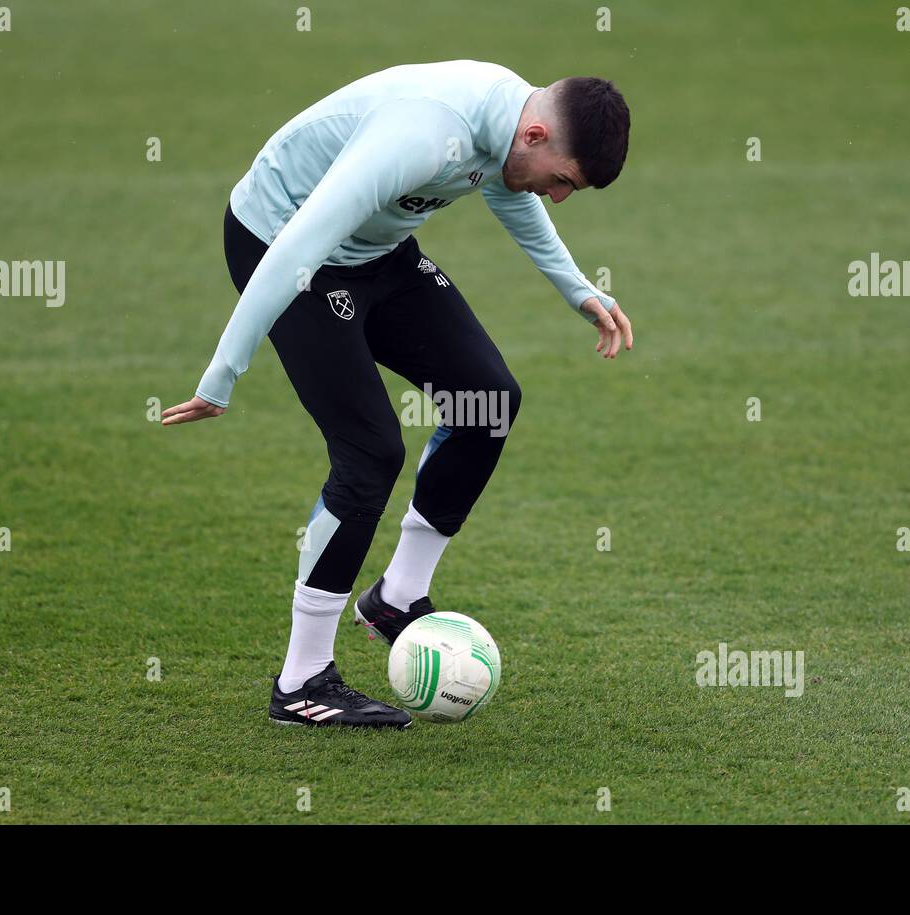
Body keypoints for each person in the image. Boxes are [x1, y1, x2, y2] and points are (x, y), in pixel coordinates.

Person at [163, 60, 633, 728]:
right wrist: (223, 373)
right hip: (284, 248)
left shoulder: (510, 130)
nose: (557, 197)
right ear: (534, 135)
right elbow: (297, 247)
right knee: (370, 451)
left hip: (377, 253)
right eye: (563, 181)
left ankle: (396, 598)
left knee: (486, 400)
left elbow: (510, 191)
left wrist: (578, 290)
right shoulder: (422, 133)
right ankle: (301, 682)